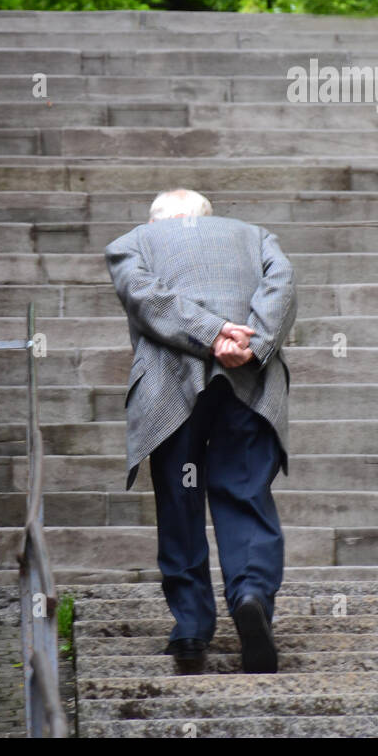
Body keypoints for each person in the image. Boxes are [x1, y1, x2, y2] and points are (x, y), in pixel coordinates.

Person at [105, 188, 296, 674]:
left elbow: (147, 299)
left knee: (180, 500)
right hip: (248, 387)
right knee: (246, 492)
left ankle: (191, 631)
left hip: (172, 388)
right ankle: (251, 593)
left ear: (155, 223)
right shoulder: (255, 237)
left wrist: (211, 333)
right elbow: (283, 284)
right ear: (209, 219)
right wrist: (248, 342)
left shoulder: (134, 244)